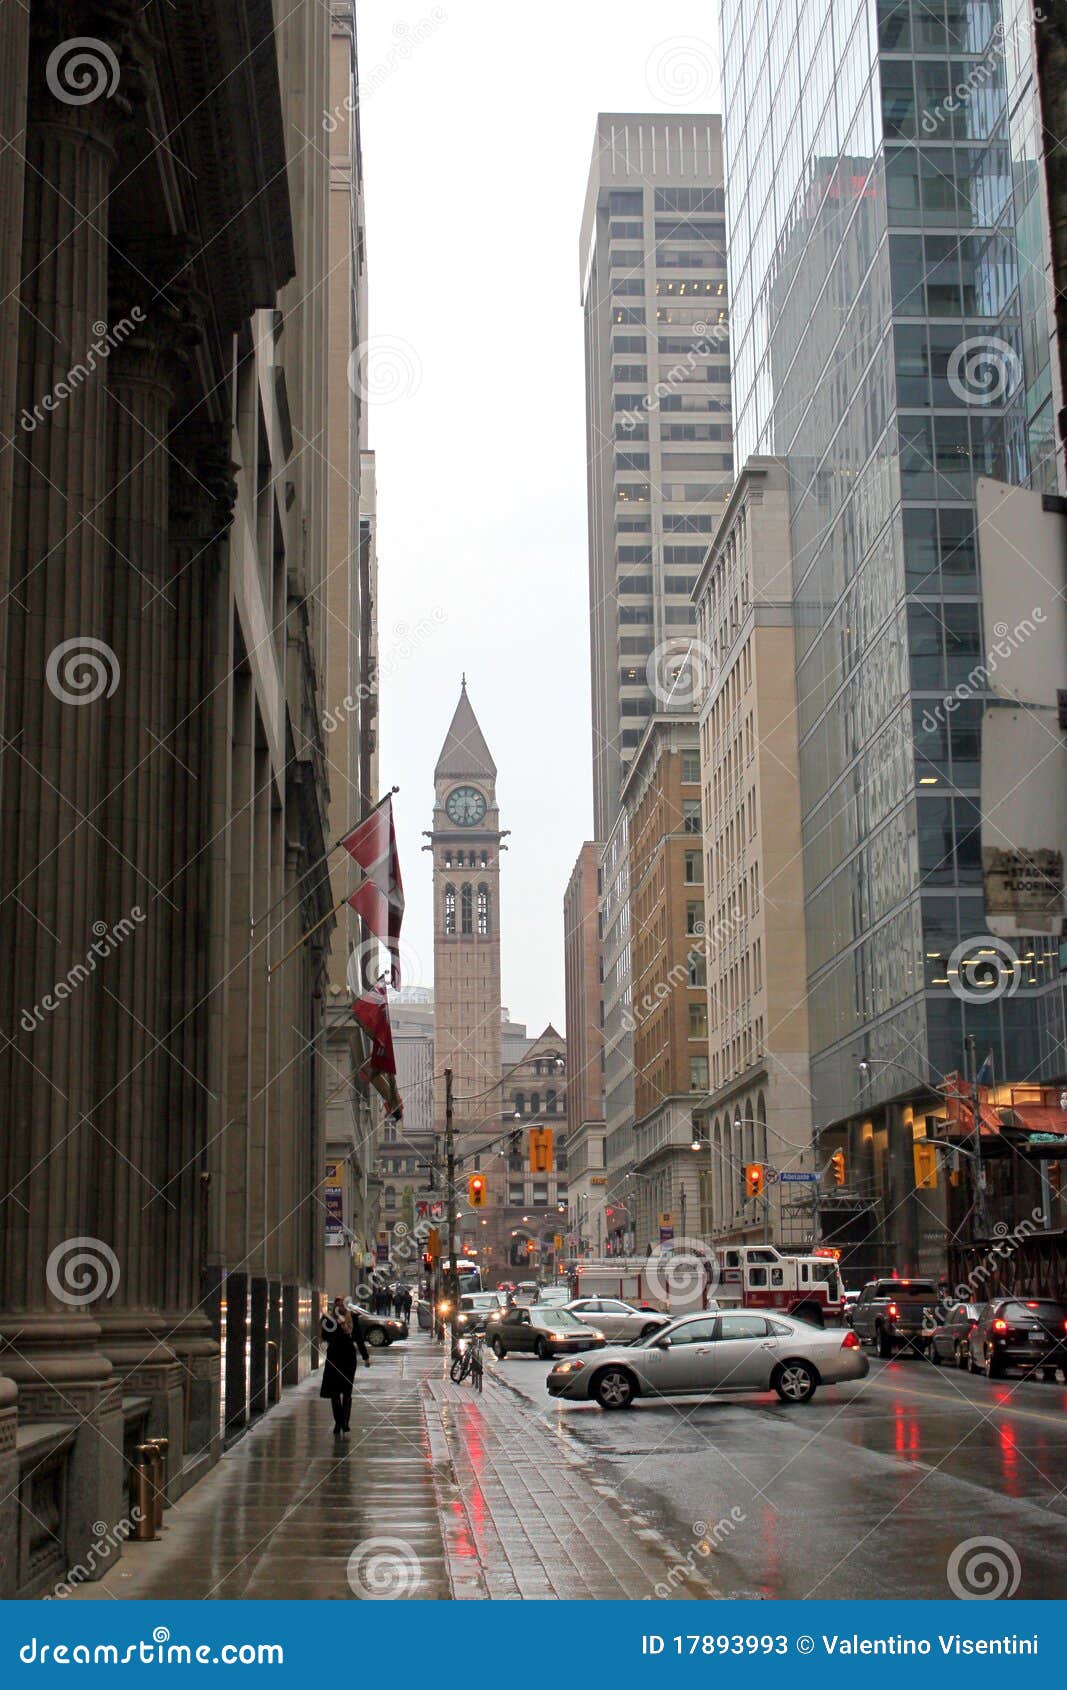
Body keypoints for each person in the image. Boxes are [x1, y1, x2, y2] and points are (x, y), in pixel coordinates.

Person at [319, 1298, 369, 1436]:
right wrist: (337, 1327)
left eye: (342, 1305)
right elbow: (324, 1335)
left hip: (348, 1357)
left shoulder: (352, 1318)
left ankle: (345, 1422)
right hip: (334, 1357)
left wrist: (365, 1357)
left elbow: (358, 1338)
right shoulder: (328, 1319)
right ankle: (338, 1422)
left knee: (347, 1392)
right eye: (338, 1304)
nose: (340, 1307)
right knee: (335, 1393)